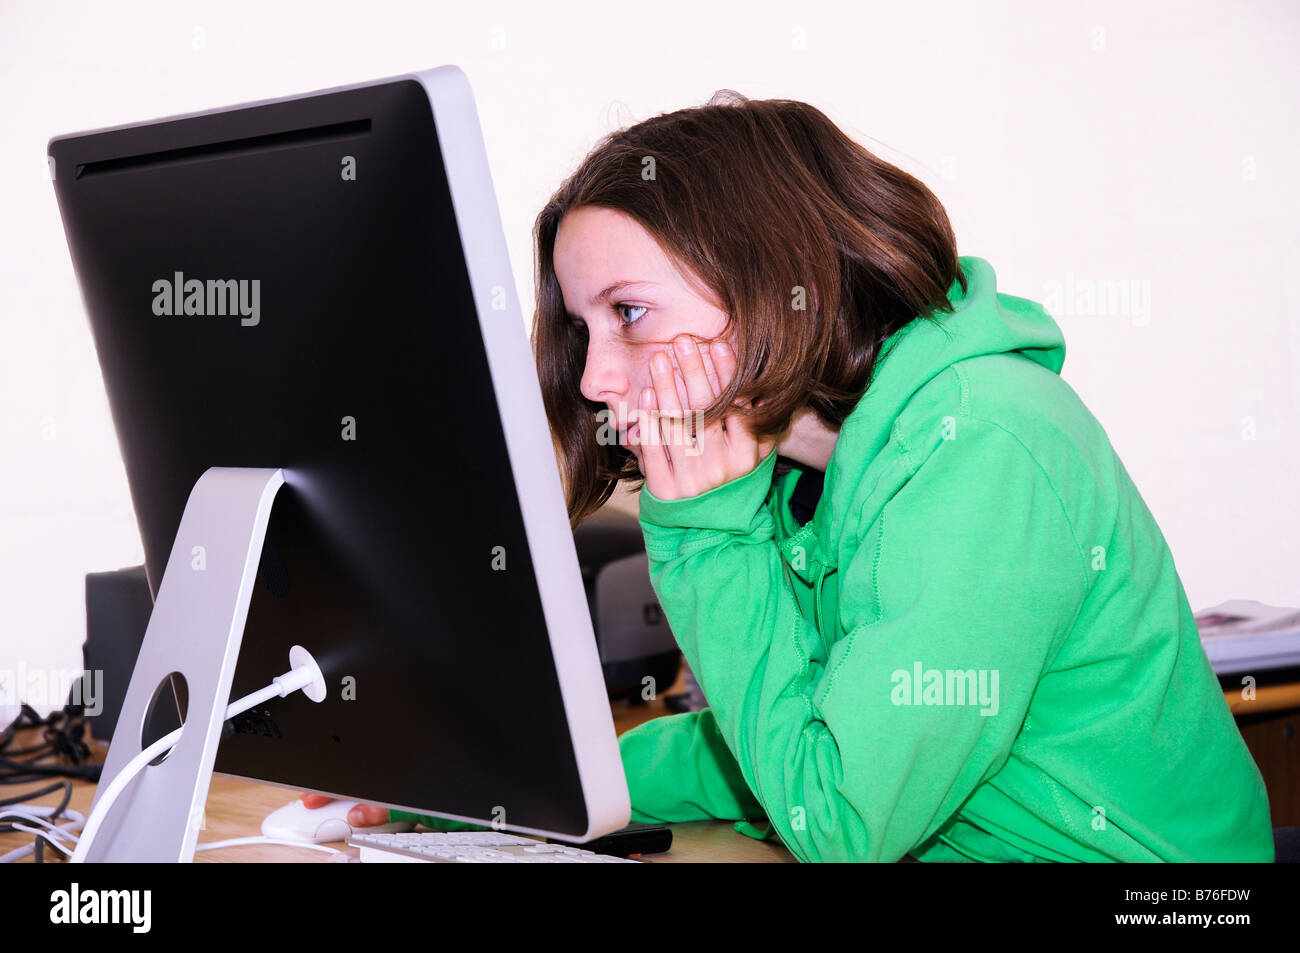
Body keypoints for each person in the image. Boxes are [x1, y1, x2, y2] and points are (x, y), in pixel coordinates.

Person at [311, 90, 1274, 862]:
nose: (598, 375)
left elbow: (841, 822)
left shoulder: (981, 447)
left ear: (771, 278)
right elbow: (750, 749)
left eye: (630, 312)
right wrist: (499, 777)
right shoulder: (800, 469)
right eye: (583, 329)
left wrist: (705, 536)